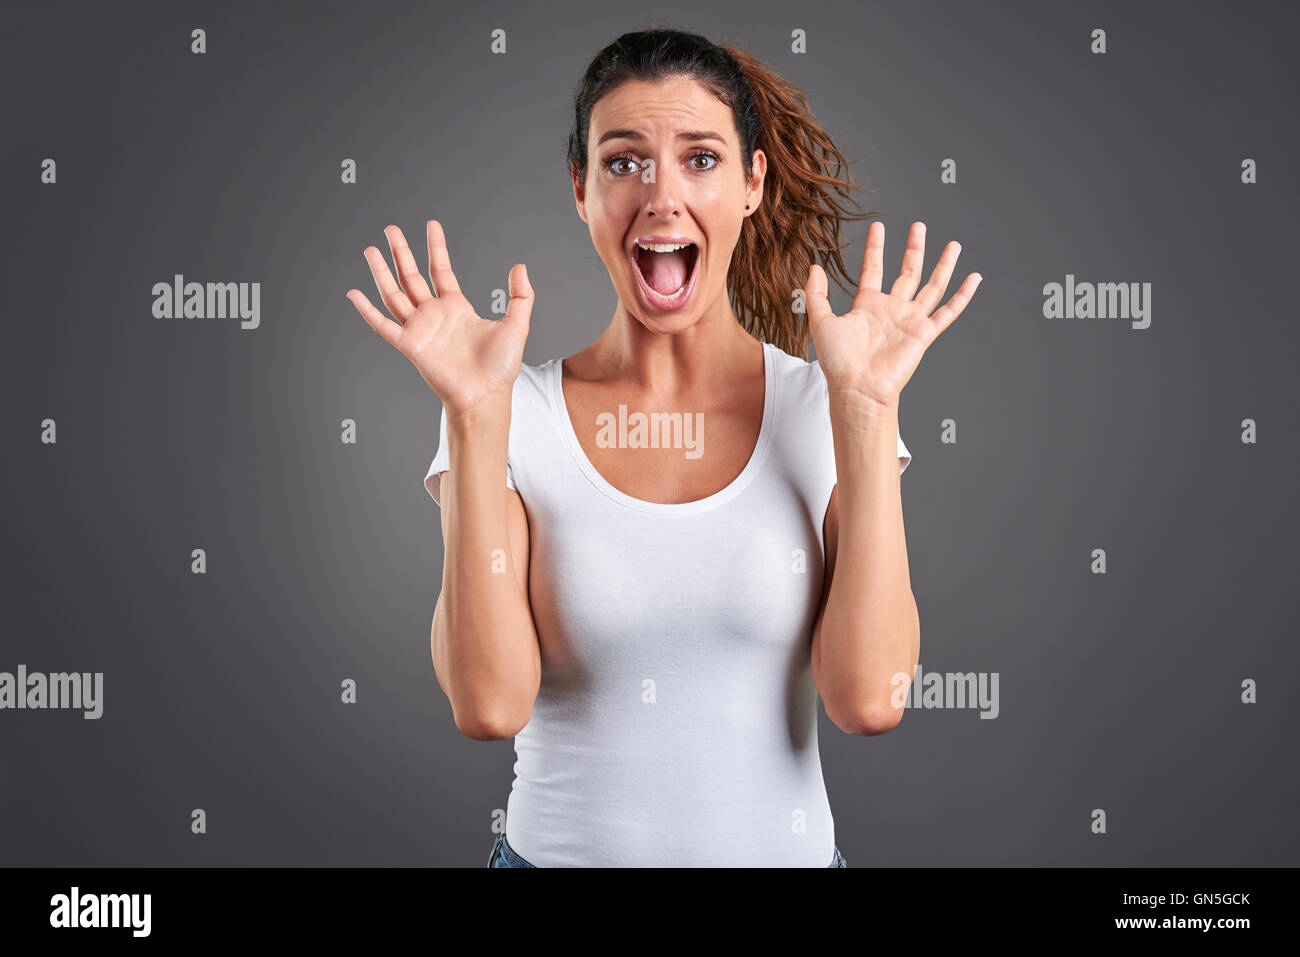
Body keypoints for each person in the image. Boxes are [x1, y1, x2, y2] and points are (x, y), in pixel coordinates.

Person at [345, 27, 981, 867]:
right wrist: (472, 414)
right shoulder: (514, 411)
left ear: (753, 183)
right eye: (623, 162)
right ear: (580, 188)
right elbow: (489, 704)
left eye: (702, 159)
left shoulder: (824, 403)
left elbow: (870, 698)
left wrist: (863, 408)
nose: (661, 196)